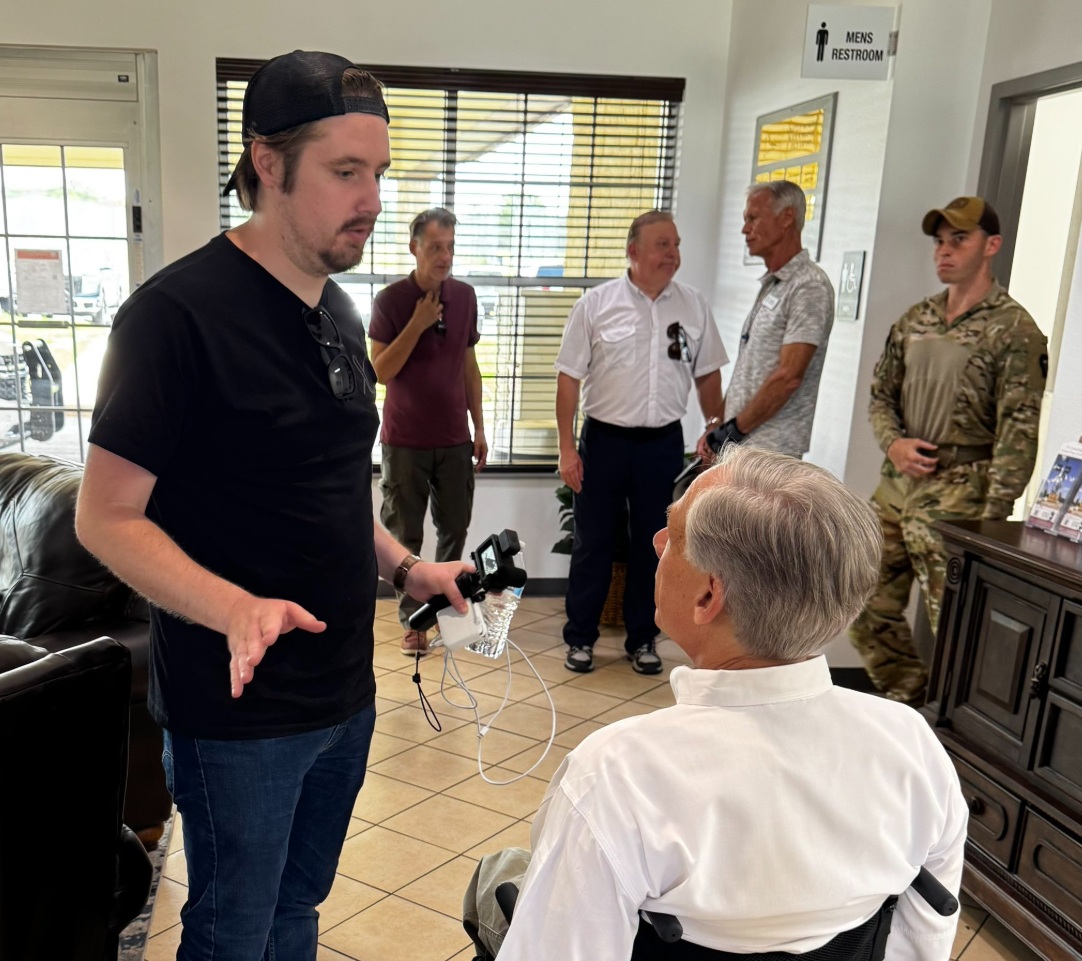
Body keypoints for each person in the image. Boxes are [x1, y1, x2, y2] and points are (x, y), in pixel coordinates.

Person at [74, 50, 470, 961]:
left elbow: (330, 488)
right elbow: (107, 515)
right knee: (230, 929)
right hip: (238, 713)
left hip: (344, 692)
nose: (370, 198)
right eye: (344, 172)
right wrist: (235, 608)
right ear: (266, 161)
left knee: (297, 911)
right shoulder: (173, 318)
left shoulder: (335, 308)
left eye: (378, 173)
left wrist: (408, 565)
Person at [465, 446, 967, 960]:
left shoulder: (618, 776)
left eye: (675, 535)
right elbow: (923, 941)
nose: (657, 541)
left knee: (499, 873)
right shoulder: (912, 748)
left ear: (709, 596)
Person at [849, 196, 1047, 705]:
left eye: (959, 239)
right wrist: (892, 443)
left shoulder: (1014, 329)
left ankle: (958, 727)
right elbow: (880, 395)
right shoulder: (916, 319)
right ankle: (913, 700)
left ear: (991, 246)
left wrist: (992, 520)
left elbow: (1018, 433)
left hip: (962, 499)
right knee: (857, 603)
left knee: (958, 624)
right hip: (896, 491)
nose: (944, 251)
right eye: (939, 241)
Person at [555, 210, 727, 676]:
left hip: (661, 445)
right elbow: (569, 379)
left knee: (654, 543)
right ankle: (581, 639)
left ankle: (643, 638)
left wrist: (714, 424)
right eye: (662, 245)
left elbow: (708, 373)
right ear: (633, 252)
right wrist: (567, 449)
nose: (673, 254)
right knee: (593, 541)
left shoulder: (692, 306)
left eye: (675, 245)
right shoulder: (596, 304)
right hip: (604, 440)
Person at [368, 207, 487, 655]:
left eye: (451, 247)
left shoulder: (466, 296)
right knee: (405, 536)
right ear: (414, 246)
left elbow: (469, 366)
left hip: (454, 438)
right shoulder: (391, 301)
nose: (445, 256)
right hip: (404, 442)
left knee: (455, 528)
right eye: (436, 246)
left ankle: (448, 611)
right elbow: (380, 371)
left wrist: (478, 425)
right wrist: (416, 324)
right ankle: (413, 623)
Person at [703, 180, 834, 459]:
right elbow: (747, 371)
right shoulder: (774, 284)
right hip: (742, 447)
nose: (744, 229)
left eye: (753, 218)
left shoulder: (809, 286)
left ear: (787, 217)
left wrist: (732, 431)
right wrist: (718, 425)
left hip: (770, 454)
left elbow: (788, 377)